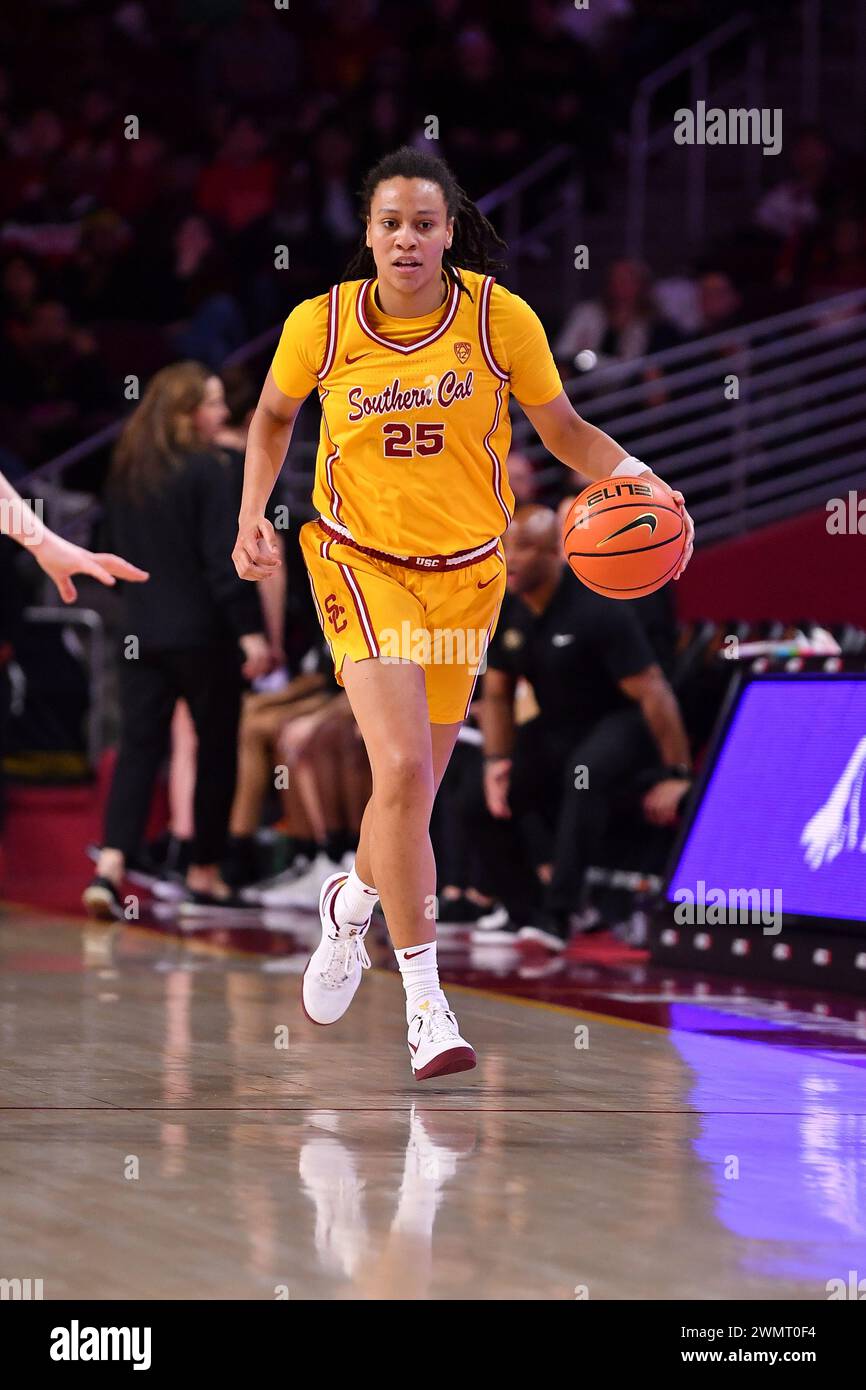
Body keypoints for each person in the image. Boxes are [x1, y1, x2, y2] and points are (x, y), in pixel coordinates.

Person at [233, 146, 694, 1081]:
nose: (407, 238)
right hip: (359, 563)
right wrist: (252, 515)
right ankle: (424, 1003)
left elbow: (561, 431)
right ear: (368, 234)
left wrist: (643, 479)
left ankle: (351, 904)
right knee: (400, 767)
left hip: (468, 575)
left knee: (413, 794)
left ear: (450, 232)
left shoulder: (498, 318)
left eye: (425, 223)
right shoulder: (320, 325)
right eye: (391, 223)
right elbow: (274, 417)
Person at [83, 363, 270, 920]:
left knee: (140, 748)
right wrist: (251, 632)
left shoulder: (128, 472)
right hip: (201, 634)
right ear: (189, 414)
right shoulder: (213, 471)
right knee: (216, 750)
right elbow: (223, 560)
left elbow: (105, 547)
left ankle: (110, 867)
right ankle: (204, 873)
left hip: (139, 630)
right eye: (212, 404)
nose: (221, 413)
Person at [476, 505, 692, 948]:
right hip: (560, 723)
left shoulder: (597, 609)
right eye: (504, 547)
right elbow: (496, 694)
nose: (509, 558)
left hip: (624, 721)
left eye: (524, 548)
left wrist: (677, 775)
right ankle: (525, 908)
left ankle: (560, 914)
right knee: (491, 792)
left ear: (556, 553)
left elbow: (654, 693)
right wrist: (497, 760)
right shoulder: (505, 610)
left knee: (585, 773)